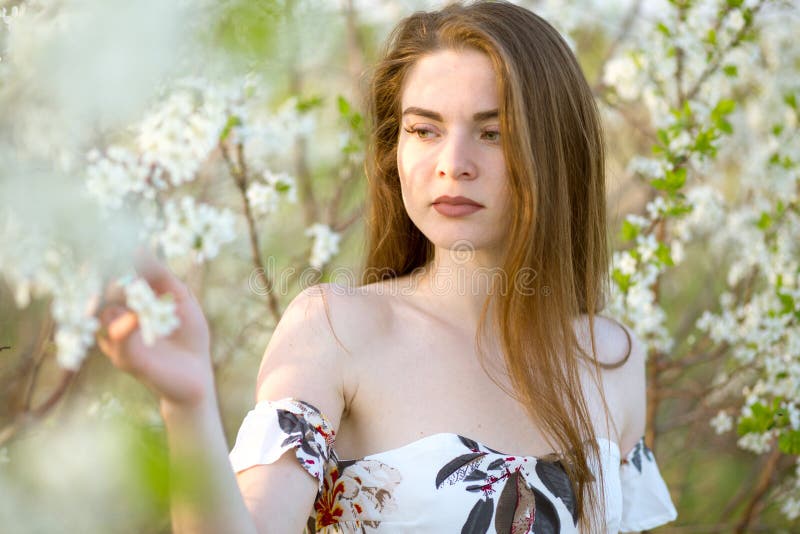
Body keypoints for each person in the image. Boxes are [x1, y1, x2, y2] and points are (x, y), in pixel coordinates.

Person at [97, 1, 678, 532]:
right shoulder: (337, 328)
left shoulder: (609, 359)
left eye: (493, 133)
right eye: (424, 130)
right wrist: (188, 400)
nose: (453, 164)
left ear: (555, 150)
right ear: (392, 150)